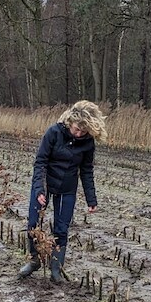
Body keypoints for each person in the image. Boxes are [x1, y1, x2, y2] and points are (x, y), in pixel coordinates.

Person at [20, 100, 105, 283]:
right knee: (33, 224)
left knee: (61, 229)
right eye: (77, 129)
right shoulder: (54, 132)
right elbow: (40, 162)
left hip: (67, 188)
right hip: (45, 183)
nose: (79, 134)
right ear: (70, 122)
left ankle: (56, 269)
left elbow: (87, 171)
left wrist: (91, 199)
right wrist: (39, 190)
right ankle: (34, 260)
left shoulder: (88, 143)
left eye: (84, 131)